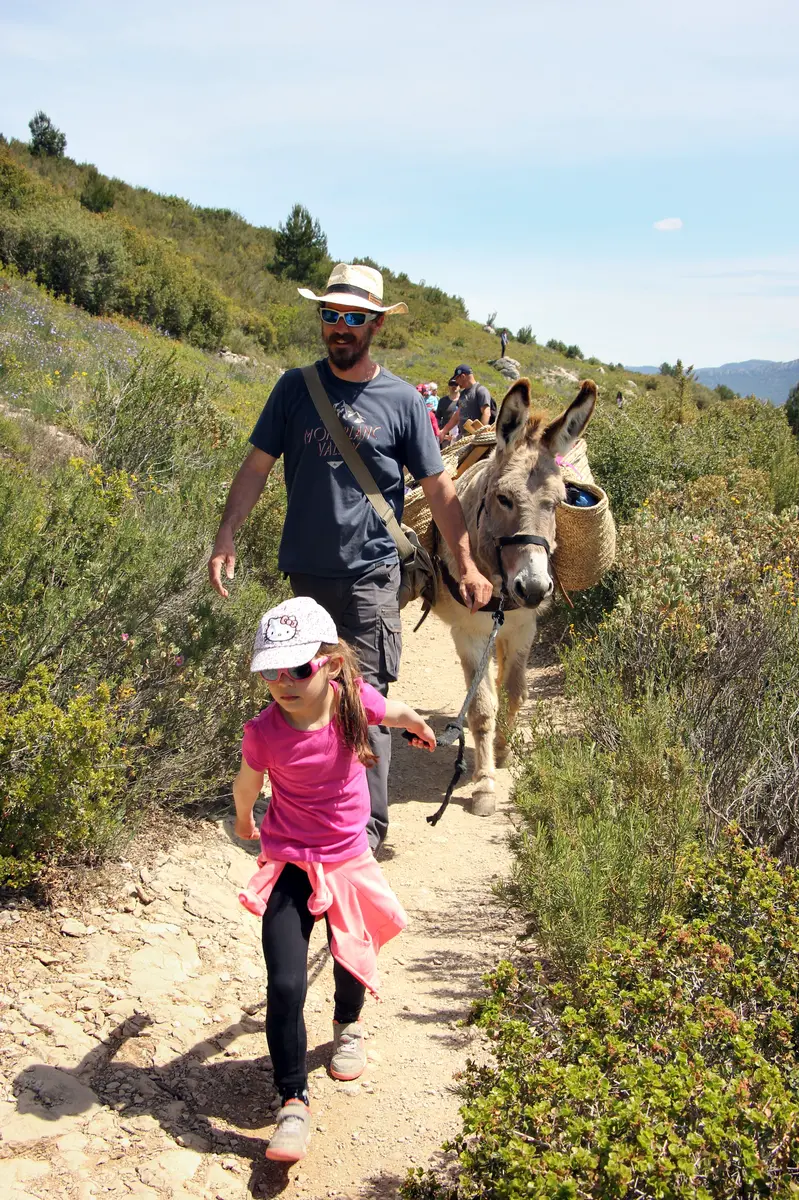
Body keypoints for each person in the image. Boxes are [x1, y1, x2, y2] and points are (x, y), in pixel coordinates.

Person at [209, 264, 493, 852]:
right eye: (331, 315)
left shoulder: (402, 401)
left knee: (366, 700)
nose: (340, 327)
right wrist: (227, 533)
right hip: (305, 576)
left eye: (354, 317)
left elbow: (439, 492)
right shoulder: (293, 389)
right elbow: (257, 468)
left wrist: (465, 563)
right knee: (304, 696)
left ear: (376, 325)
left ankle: (364, 829)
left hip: (370, 575)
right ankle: (307, 813)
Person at [234, 596, 436, 1163]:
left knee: (351, 962)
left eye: (297, 668)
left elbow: (388, 711)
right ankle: (292, 1101)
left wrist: (416, 721)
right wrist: (244, 819)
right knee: (285, 984)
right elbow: (247, 783)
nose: (283, 682)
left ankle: (347, 1024)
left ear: (332, 664)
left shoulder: (351, 703)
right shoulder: (264, 732)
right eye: (270, 670)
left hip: (347, 862)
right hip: (291, 864)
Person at [438, 365, 494, 441]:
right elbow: (457, 415)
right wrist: (444, 431)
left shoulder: (480, 390)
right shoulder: (463, 393)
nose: (457, 382)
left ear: (463, 376)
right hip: (463, 437)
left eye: (457, 379)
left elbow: (486, 413)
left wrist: (480, 435)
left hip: (474, 438)